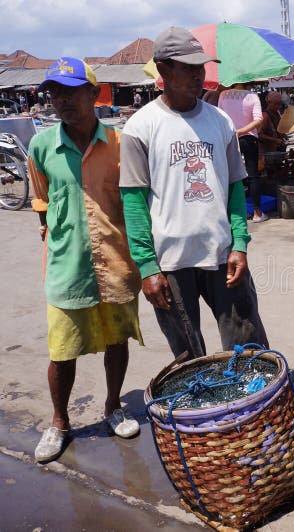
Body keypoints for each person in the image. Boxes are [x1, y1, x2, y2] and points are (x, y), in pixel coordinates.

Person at [120, 26, 268, 358]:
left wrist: (240, 244)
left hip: (222, 256)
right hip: (170, 263)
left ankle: (252, 410)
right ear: (163, 70)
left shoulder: (221, 122)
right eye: (188, 68)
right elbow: (133, 203)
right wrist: (146, 267)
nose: (198, 75)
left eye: (201, 67)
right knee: (190, 359)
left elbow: (235, 188)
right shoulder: (140, 128)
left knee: (249, 349)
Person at [26, 58, 143, 462]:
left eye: (70, 91)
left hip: (116, 264)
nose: (60, 100)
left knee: (118, 341)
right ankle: (59, 423)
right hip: (66, 269)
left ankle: (113, 406)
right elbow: (41, 200)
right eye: (54, 92)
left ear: (93, 94)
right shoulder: (42, 146)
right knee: (62, 351)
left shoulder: (119, 144)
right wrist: (52, 229)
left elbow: (134, 205)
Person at [218, 84, 266, 222]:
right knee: (253, 176)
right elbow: (258, 120)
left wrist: (234, 132)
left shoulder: (224, 95)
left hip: (229, 138)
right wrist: (242, 131)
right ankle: (257, 213)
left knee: (229, 175)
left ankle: (230, 213)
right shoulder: (253, 96)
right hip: (249, 139)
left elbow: (219, 116)